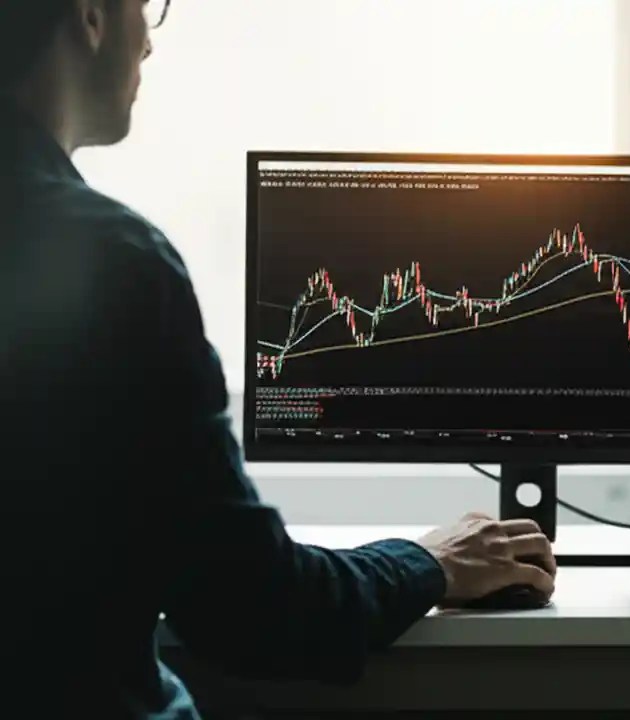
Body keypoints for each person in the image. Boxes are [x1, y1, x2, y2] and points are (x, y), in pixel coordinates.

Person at [0, 1, 557, 716]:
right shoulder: (109, 261)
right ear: (90, 15)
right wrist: (430, 564)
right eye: (147, 5)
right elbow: (251, 608)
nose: (150, 40)